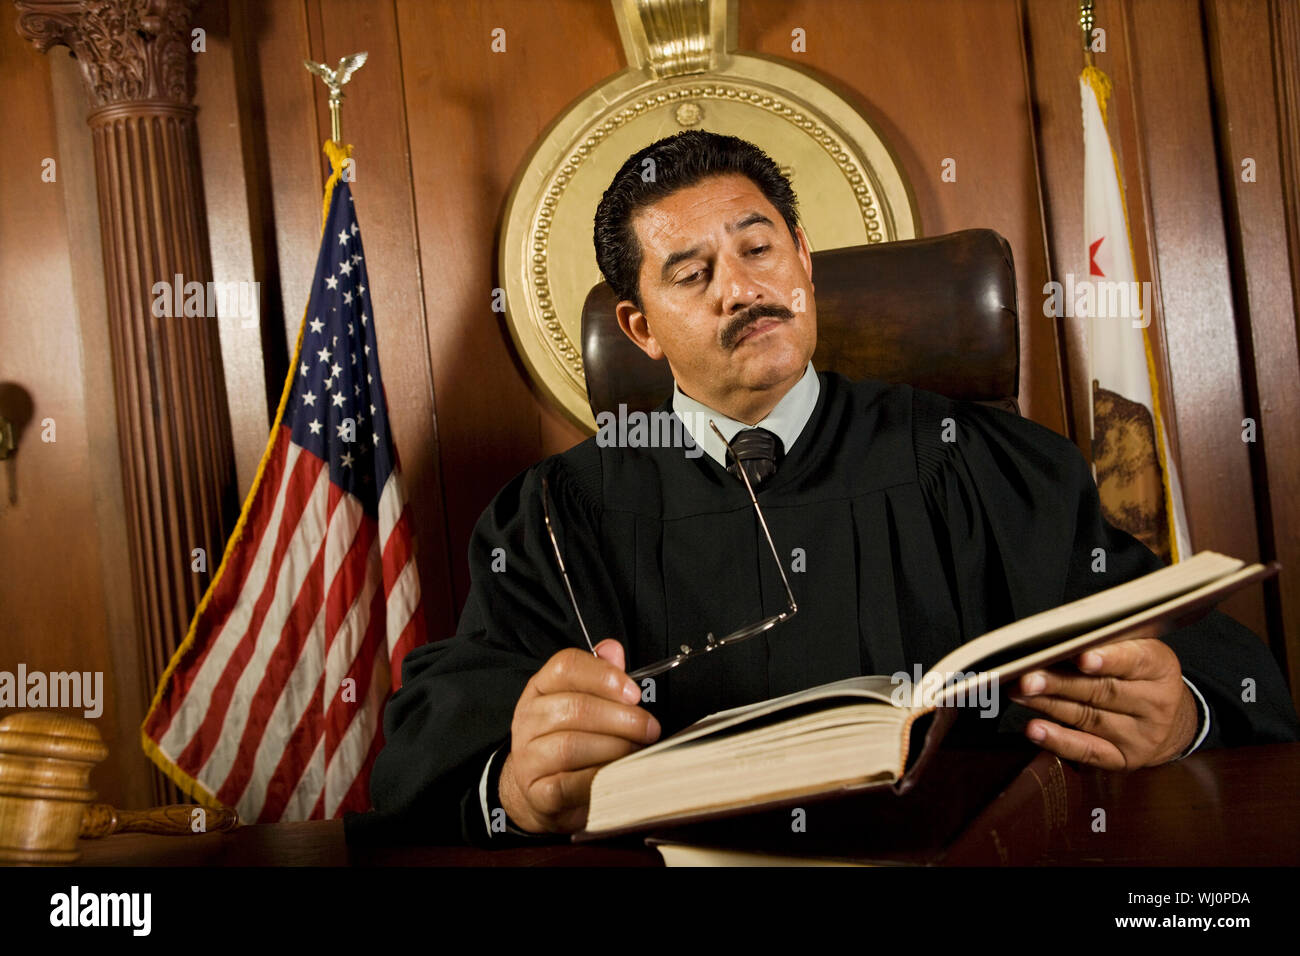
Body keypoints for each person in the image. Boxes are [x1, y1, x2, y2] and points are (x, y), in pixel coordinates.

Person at [359, 131, 1299, 847]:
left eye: (759, 250)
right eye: (693, 274)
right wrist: (515, 788)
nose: (740, 289)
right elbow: (429, 753)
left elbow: (1219, 663)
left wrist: (1183, 713)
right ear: (642, 330)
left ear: (804, 260)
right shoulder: (556, 516)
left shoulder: (981, 461)